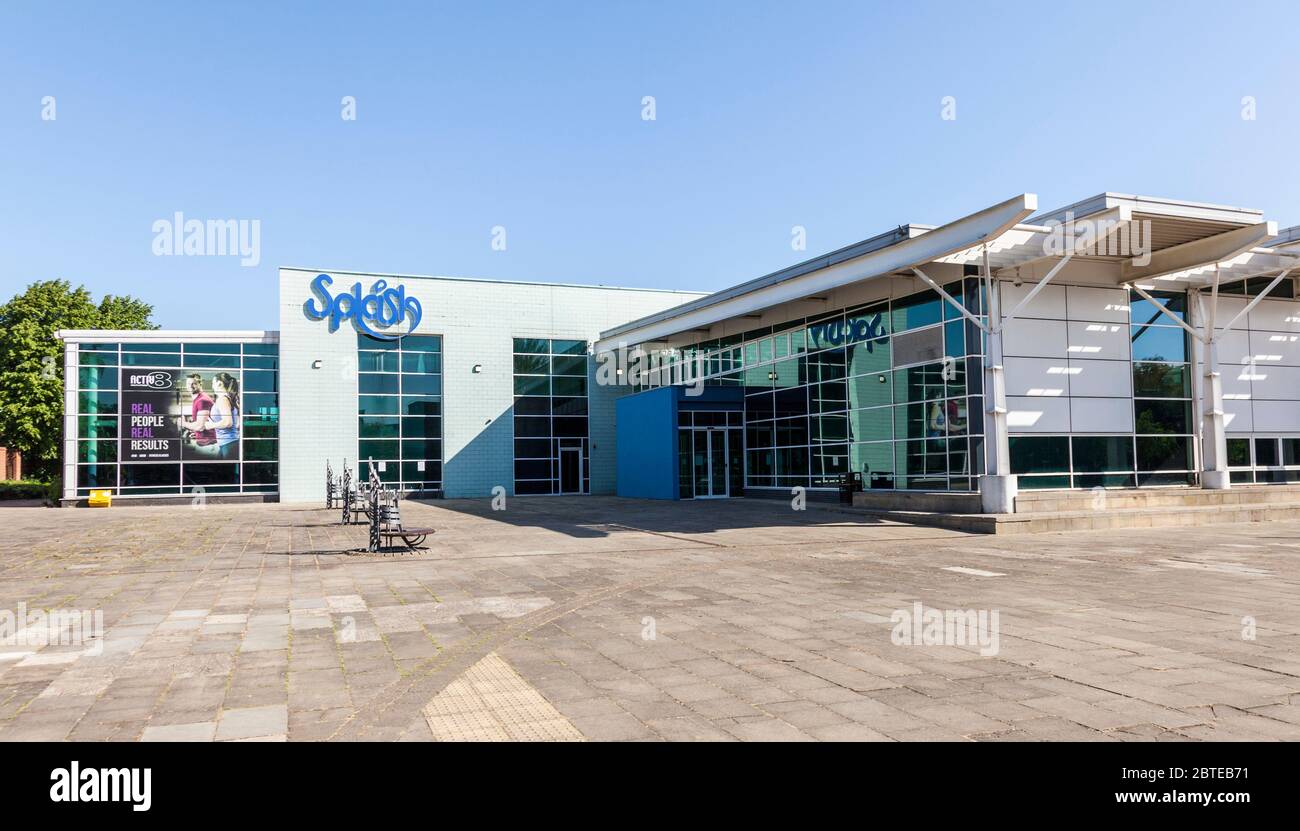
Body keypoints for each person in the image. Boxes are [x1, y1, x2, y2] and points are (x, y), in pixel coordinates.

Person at [207, 372, 241, 461]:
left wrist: (211, 425)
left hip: (229, 445)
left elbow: (228, 422)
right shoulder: (226, 399)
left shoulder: (223, 399)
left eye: (213, 383)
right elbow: (236, 424)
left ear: (219, 383)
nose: (212, 386)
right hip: (226, 444)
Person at [177, 374, 217, 450]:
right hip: (206, 444)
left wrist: (183, 423)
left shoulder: (202, 400)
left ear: (200, 384)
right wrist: (197, 434)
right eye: (188, 383)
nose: (190, 386)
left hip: (208, 445)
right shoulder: (198, 399)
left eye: (194, 383)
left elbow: (200, 426)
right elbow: (202, 425)